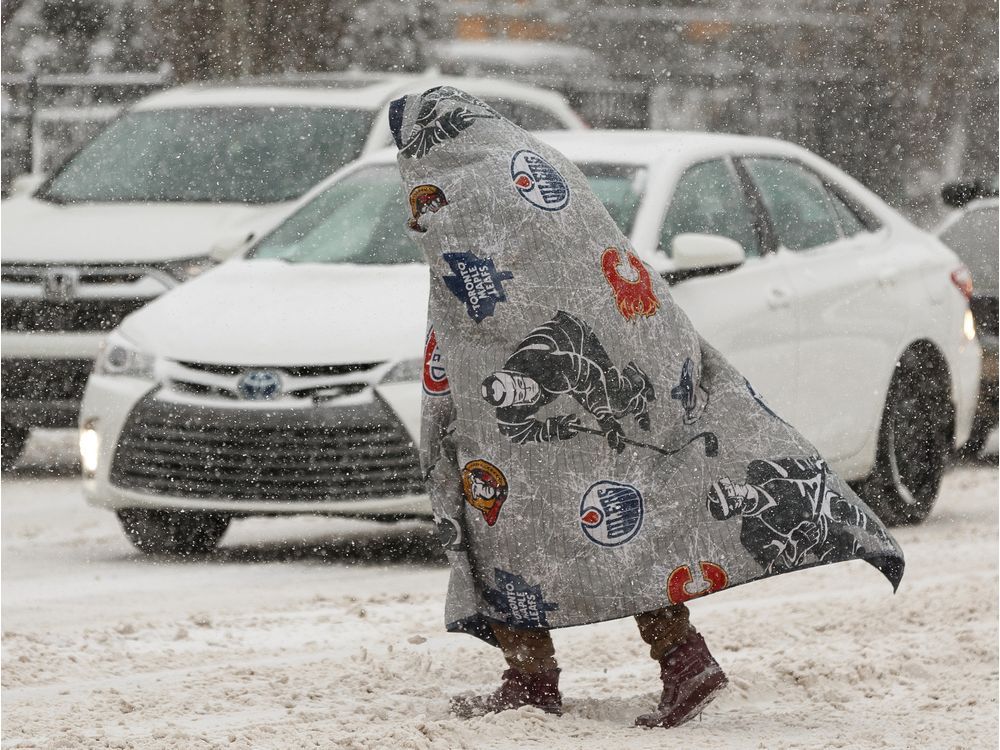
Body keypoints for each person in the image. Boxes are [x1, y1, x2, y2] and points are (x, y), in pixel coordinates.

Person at [390, 86, 904, 728]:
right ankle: (677, 662)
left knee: (511, 529)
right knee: (633, 522)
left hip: (531, 399)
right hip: (597, 381)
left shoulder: (456, 188)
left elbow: (489, 293)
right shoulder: (536, 164)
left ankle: (539, 676)